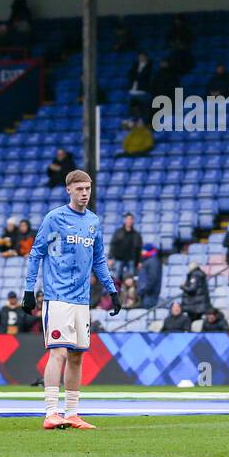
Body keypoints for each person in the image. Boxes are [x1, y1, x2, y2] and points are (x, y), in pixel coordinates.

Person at [24, 168, 121, 428]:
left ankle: (72, 413)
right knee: (59, 353)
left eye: (88, 189)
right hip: (57, 297)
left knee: (77, 356)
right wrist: (28, 290)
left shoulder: (93, 222)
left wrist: (112, 290)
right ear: (69, 190)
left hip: (81, 300)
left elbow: (99, 259)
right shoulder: (54, 218)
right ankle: (50, 412)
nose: (85, 193)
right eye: (80, 189)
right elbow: (36, 253)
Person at [109, 213, 142, 281]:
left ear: (132, 221)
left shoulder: (136, 234)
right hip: (118, 259)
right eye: (127, 219)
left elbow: (139, 249)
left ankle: (129, 292)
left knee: (130, 279)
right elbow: (113, 245)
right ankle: (116, 291)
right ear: (125, 220)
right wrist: (110, 258)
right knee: (116, 278)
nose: (129, 221)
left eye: (130, 219)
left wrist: (139, 261)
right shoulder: (118, 232)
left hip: (131, 260)